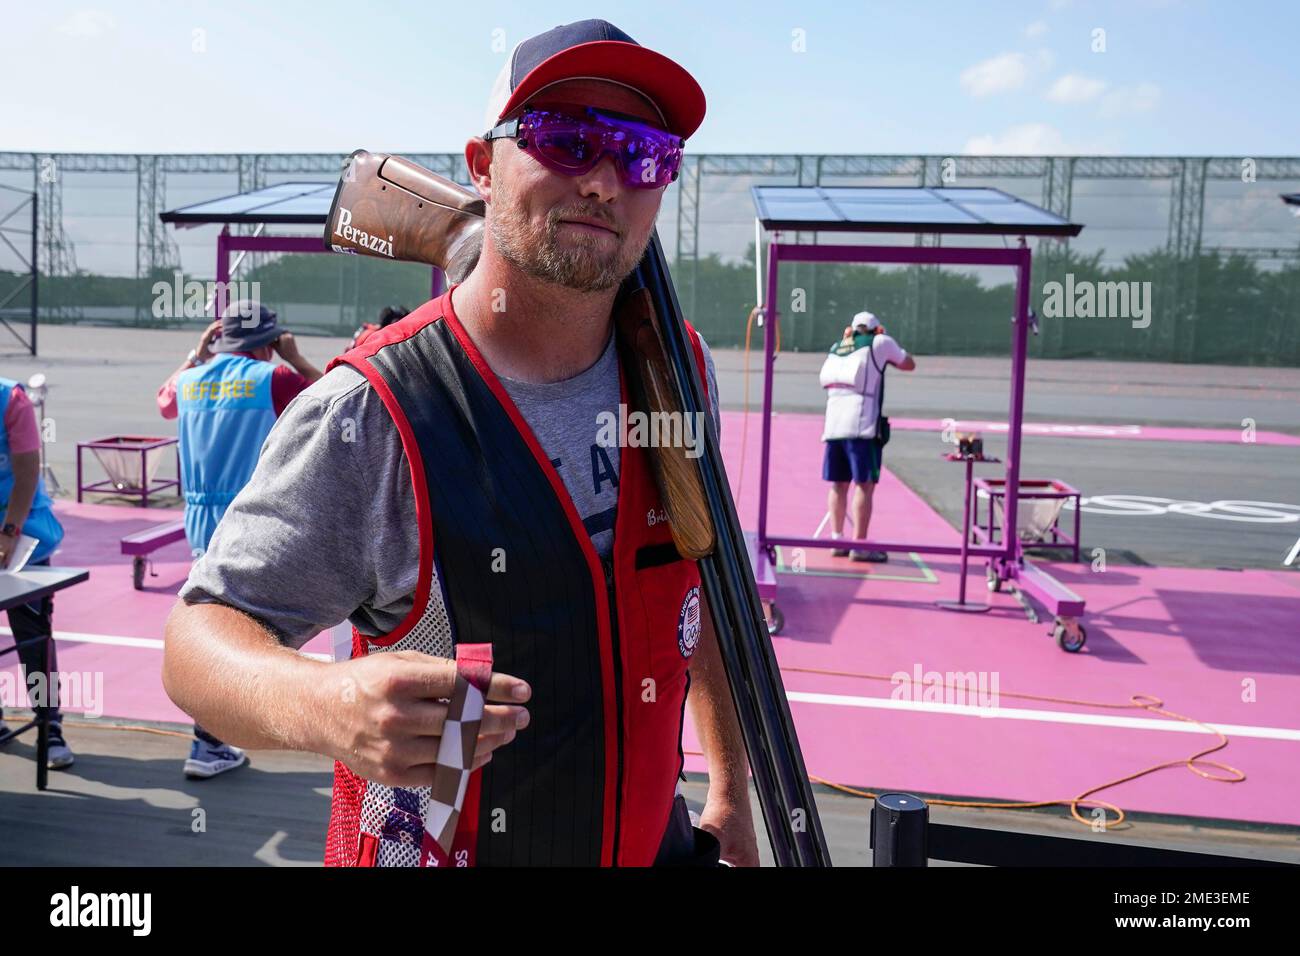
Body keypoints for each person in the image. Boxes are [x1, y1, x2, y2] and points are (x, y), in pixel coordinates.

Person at [163, 19, 760, 867]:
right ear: (482, 166)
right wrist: (326, 701)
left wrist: (731, 793)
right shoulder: (373, 410)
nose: (602, 182)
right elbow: (197, 646)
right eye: (566, 139)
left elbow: (697, 590)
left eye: (642, 155)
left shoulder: (677, 367)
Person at [157, 299, 323, 778]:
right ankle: (215, 737)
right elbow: (330, 397)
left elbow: (163, 402)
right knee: (254, 630)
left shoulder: (190, 381)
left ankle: (211, 738)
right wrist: (294, 358)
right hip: (252, 517)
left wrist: (196, 354)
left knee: (211, 623)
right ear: (269, 344)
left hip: (199, 518)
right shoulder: (273, 379)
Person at [0, 376, 72, 768]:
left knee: (32, 637)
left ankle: (50, 726)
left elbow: (27, 473)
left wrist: (9, 532)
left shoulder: (11, 401)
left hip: (23, 533)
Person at [819, 310, 915, 562]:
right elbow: (908, 363)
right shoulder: (879, 342)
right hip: (862, 426)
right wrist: (884, 339)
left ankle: (837, 539)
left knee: (838, 484)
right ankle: (859, 545)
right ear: (875, 329)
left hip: (833, 424)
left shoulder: (837, 346)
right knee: (864, 484)